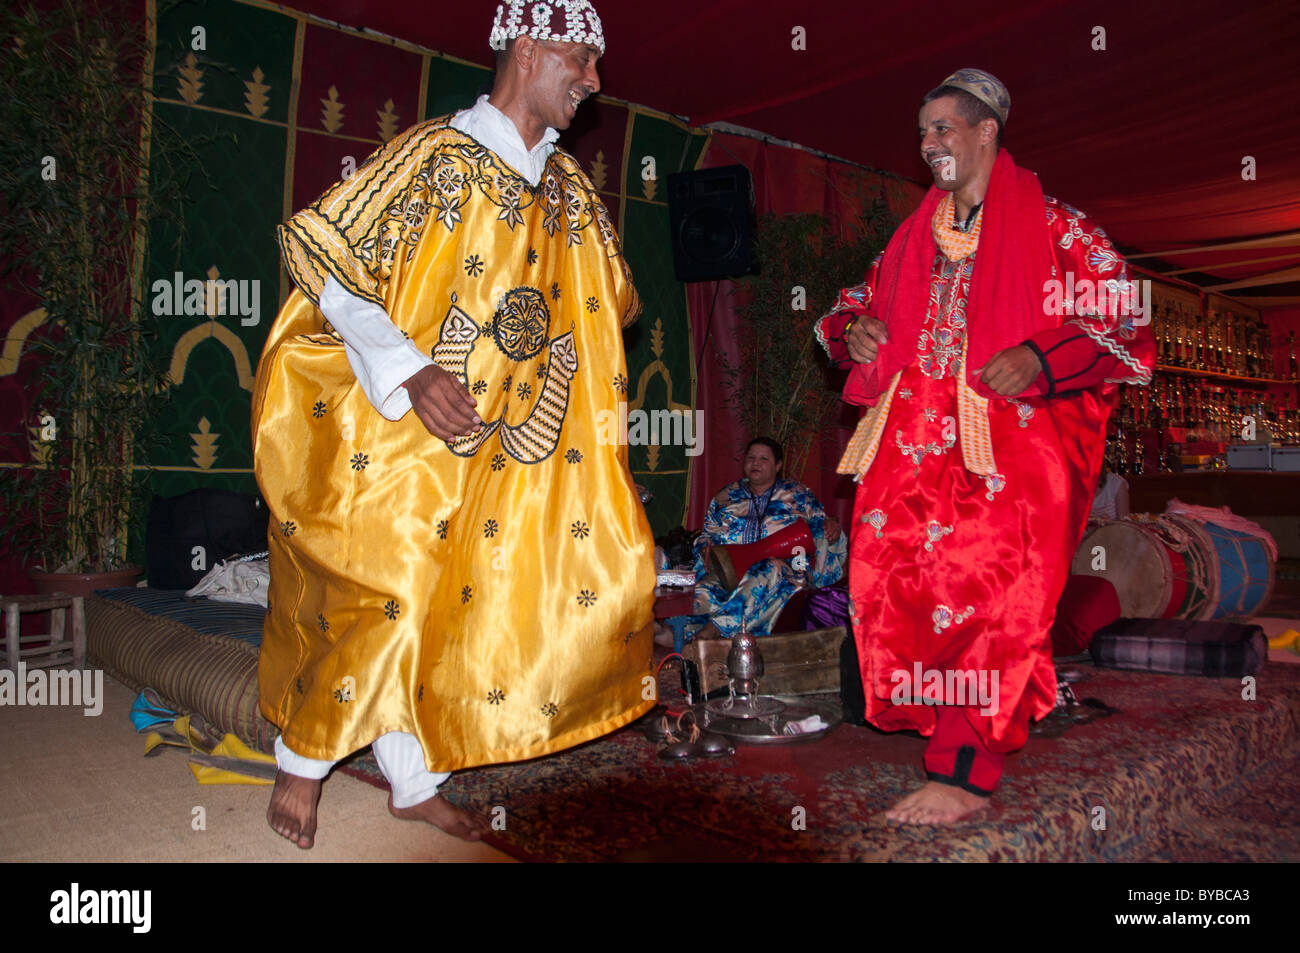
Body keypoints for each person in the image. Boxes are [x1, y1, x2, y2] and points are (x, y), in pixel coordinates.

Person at [251, 0, 656, 849]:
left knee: (460, 605)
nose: (593, 82)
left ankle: (413, 782)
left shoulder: (571, 189)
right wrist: (411, 366)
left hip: (503, 453)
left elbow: (610, 302)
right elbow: (324, 259)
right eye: (582, 61)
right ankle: (303, 756)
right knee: (393, 589)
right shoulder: (435, 156)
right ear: (529, 46)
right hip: (402, 432)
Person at [815, 69, 1154, 824]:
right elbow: (848, 308)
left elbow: (1127, 325)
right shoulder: (914, 239)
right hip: (910, 456)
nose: (929, 143)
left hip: (1008, 457)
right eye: (923, 131)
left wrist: (1041, 357)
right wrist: (853, 331)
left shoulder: (1059, 230)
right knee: (898, 587)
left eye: (943, 128)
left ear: (986, 133)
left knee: (993, 597)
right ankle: (957, 723)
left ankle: (963, 770)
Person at [690, 437, 846, 641]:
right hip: (731, 573)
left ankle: (712, 633)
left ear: (778, 465)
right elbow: (707, 535)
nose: (755, 463)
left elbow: (822, 526)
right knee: (700, 593)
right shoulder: (726, 496)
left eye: (763, 458)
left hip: (786, 572)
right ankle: (678, 636)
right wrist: (704, 549)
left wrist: (832, 524)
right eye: (751, 457)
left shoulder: (798, 495)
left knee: (769, 568)